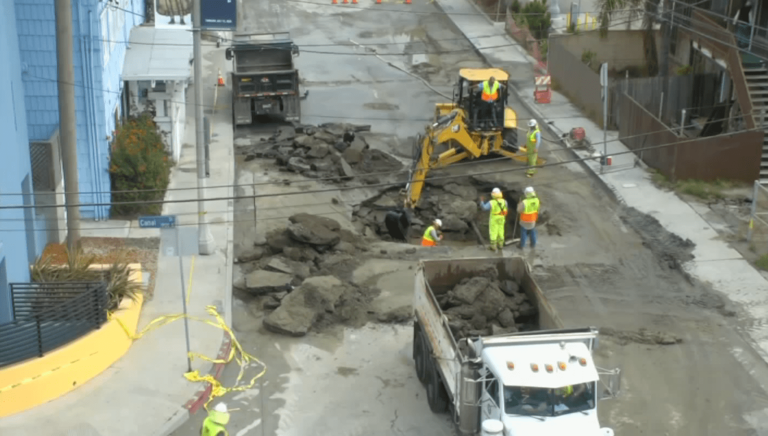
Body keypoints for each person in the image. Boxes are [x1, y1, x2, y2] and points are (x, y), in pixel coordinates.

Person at [479, 188, 508, 252]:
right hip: (502, 219)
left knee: (493, 232)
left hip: (494, 219)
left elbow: (484, 208)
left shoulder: (492, 202)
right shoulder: (504, 201)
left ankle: (493, 247)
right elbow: (506, 209)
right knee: (501, 231)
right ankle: (500, 245)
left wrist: (481, 201)